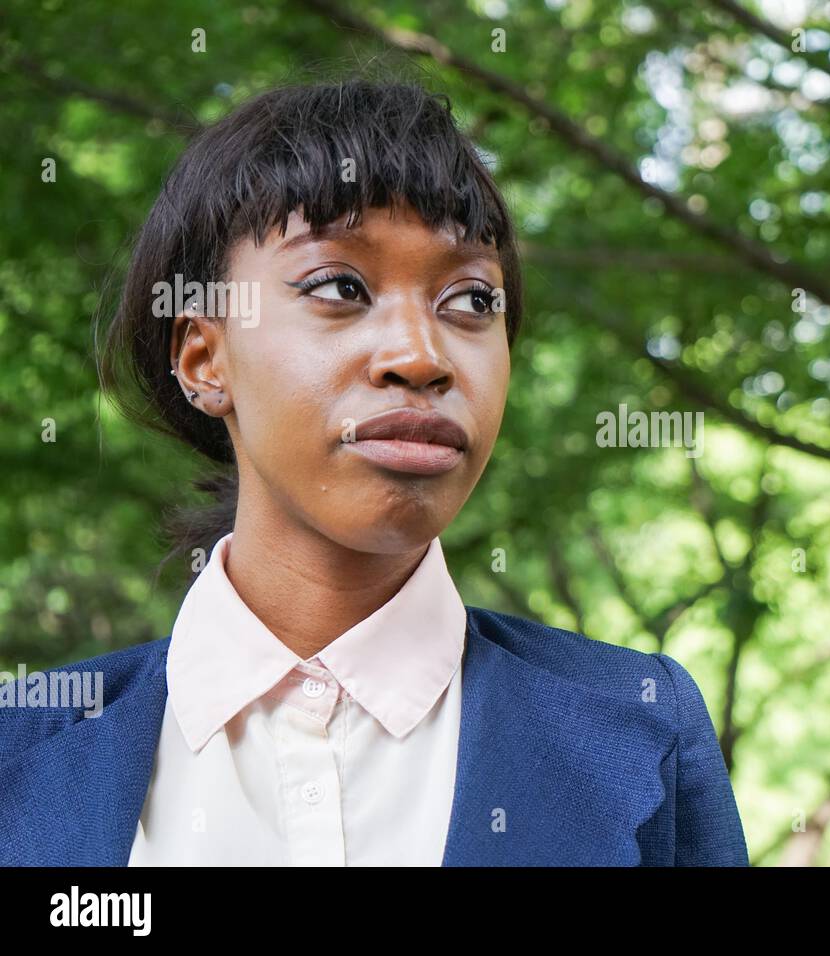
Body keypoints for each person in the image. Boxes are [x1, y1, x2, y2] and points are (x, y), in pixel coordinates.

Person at [0, 77, 748, 867]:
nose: (420, 356)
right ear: (203, 357)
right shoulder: (21, 754)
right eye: (339, 287)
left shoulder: (636, 734)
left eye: (470, 300)